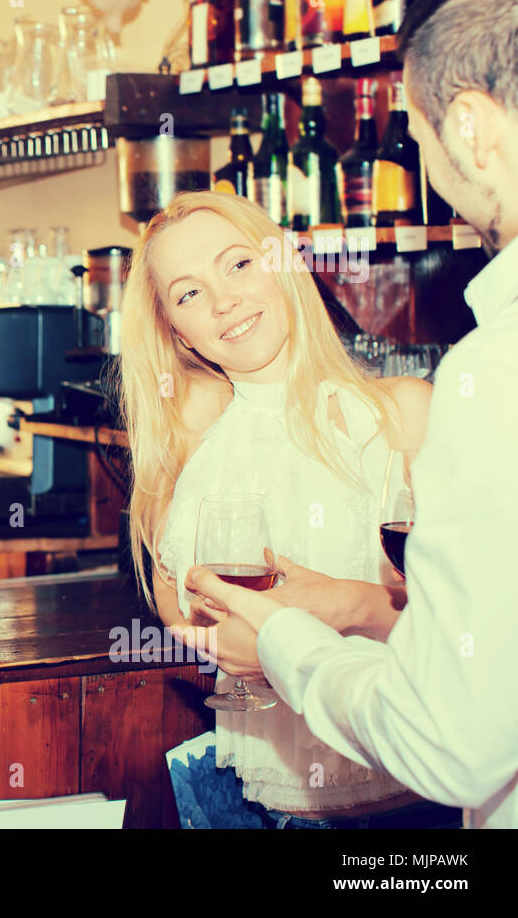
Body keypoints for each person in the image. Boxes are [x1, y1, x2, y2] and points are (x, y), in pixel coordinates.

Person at [174, 0, 518, 829]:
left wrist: (288, 640)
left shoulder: (486, 373)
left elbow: (450, 736)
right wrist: (364, 605)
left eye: (418, 128)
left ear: (473, 128)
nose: (420, 154)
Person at [118, 189, 454, 827]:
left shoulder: (404, 416)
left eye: (239, 264)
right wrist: (234, 652)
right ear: (177, 333)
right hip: (256, 809)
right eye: (188, 294)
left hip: (413, 807)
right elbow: (194, 639)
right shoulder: (185, 470)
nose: (224, 302)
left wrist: (356, 607)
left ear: (281, 263)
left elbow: (484, 636)